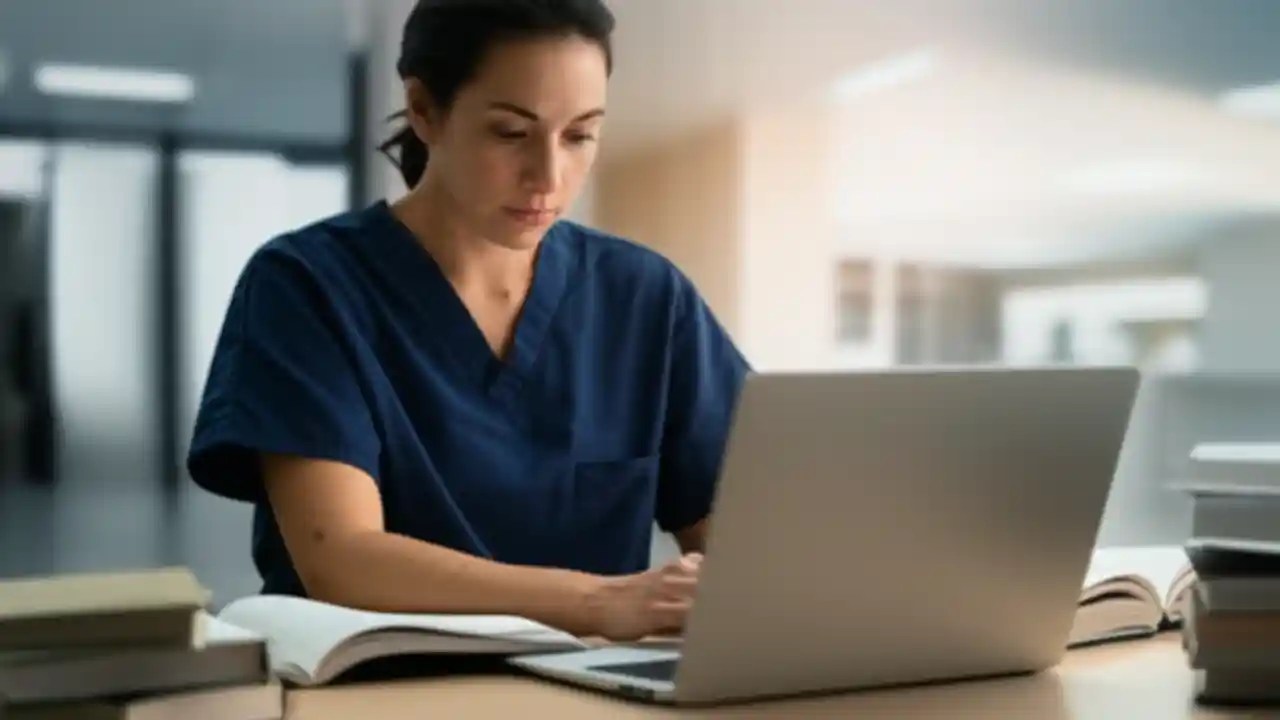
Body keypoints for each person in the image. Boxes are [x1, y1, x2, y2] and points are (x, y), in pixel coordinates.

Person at [187, 0, 749, 643]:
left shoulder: (646, 298)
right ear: (425, 110)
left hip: (592, 691)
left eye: (579, 135)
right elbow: (341, 559)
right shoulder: (308, 285)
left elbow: (748, 550)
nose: (549, 176)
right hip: (373, 689)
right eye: (511, 133)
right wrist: (599, 601)